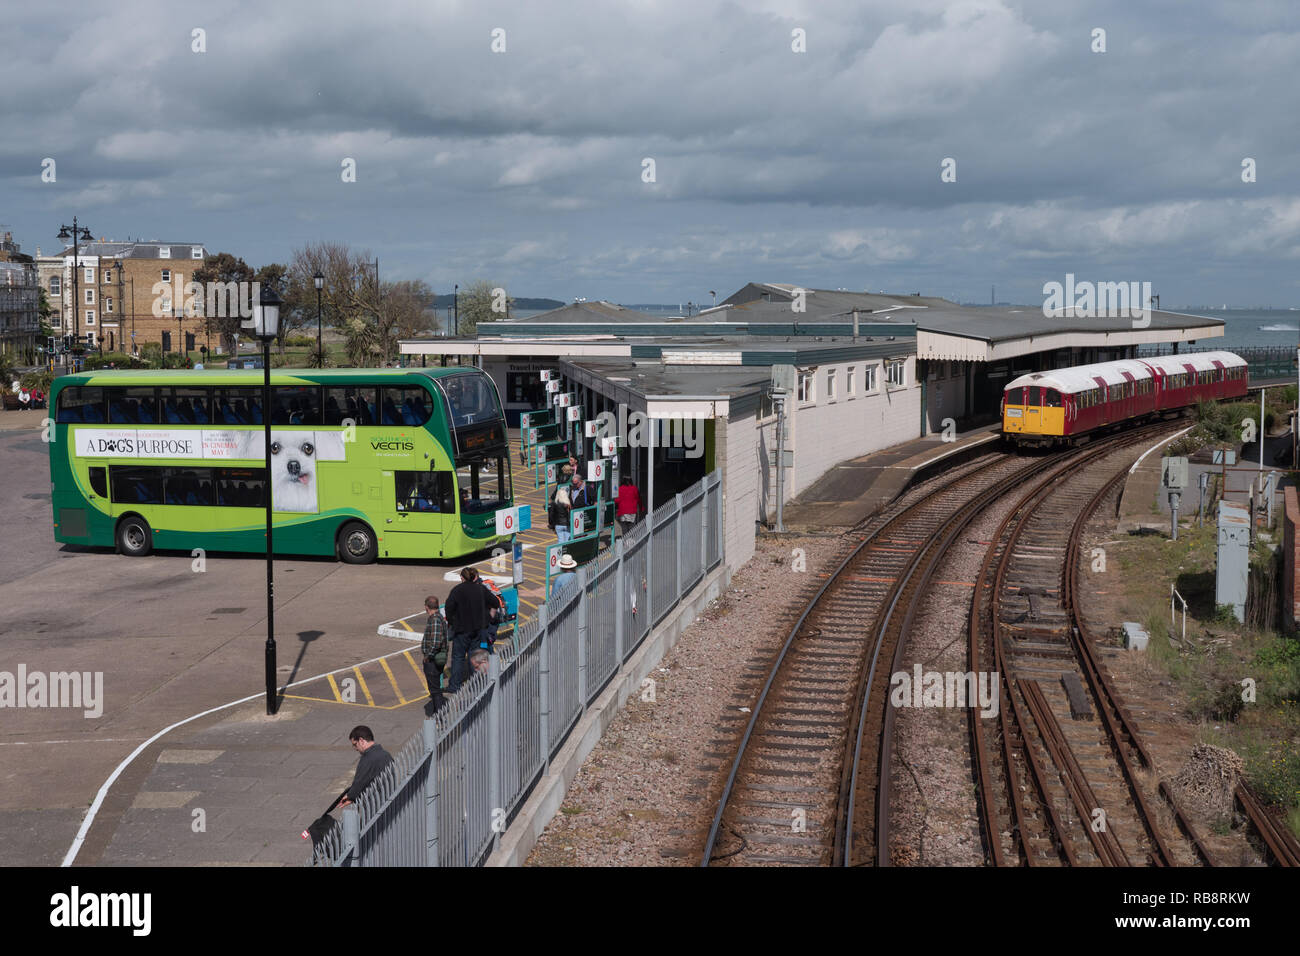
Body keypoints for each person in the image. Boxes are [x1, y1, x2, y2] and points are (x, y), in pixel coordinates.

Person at [445, 566, 495, 692]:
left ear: (462, 577)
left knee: (458, 658)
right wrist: (488, 617)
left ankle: (455, 686)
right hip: (478, 629)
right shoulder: (480, 589)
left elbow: (449, 608)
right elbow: (495, 602)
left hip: (461, 630)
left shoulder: (457, 590)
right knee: (475, 657)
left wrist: (452, 622)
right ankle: (476, 684)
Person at [338, 726, 394, 808]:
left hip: (376, 804)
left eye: (355, 744)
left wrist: (350, 796)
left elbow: (360, 781)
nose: (355, 748)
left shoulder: (367, 758)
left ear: (361, 741)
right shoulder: (386, 754)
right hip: (390, 797)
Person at [421, 595, 448, 713]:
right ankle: (439, 712)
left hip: (433, 660)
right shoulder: (438, 617)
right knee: (435, 688)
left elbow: (436, 642)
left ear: (427, 607)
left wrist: (427, 656)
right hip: (435, 659)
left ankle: (439, 716)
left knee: (435, 690)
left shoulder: (435, 620)